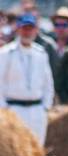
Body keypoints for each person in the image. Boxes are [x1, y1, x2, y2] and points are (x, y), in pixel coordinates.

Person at [0, 14, 55, 146]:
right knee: (15, 150)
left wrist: (45, 107)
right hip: (14, 108)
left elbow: (48, 83)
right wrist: (4, 109)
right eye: (24, 28)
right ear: (18, 30)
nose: (27, 32)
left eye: (30, 28)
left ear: (35, 30)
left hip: (36, 110)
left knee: (37, 149)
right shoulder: (6, 53)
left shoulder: (41, 53)